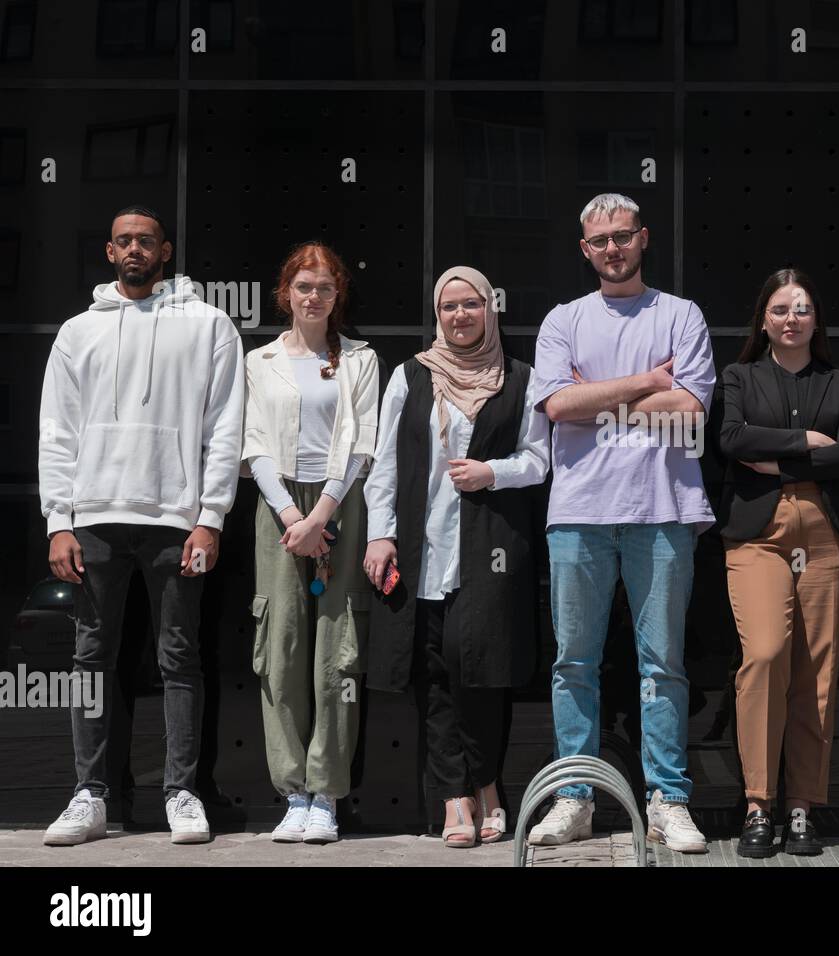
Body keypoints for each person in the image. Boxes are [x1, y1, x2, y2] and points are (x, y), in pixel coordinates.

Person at [39, 205, 244, 845]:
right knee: (90, 659)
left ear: (166, 250)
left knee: (179, 659)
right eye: (124, 241)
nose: (134, 250)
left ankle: (182, 792)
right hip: (95, 519)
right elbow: (57, 432)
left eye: (145, 241)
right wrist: (58, 520)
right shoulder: (78, 331)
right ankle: (91, 795)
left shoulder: (209, 324)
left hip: (176, 520)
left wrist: (209, 519)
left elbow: (224, 427)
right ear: (109, 251)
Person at [526, 193, 715, 854]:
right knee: (573, 663)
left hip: (661, 512)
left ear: (643, 240)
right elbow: (556, 404)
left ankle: (668, 800)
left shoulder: (680, 314)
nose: (612, 248)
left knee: (662, 665)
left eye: (623, 237)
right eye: (600, 240)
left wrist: (596, 397)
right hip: (578, 515)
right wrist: (643, 382)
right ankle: (574, 798)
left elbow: (690, 413)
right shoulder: (563, 321)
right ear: (585, 249)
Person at [365, 266, 548, 848]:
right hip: (426, 552)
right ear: (437, 315)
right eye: (449, 307)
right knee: (435, 678)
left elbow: (539, 459)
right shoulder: (409, 377)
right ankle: (453, 798)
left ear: (489, 309)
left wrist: (492, 472)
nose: (460, 316)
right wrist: (380, 534)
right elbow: (385, 466)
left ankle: (490, 786)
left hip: (490, 550)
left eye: (471, 304)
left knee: (486, 676)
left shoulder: (520, 378)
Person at [717, 268, 839, 857]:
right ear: (764, 319)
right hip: (759, 535)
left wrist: (777, 459)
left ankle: (802, 806)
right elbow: (731, 439)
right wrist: (809, 443)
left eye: (803, 309)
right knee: (765, 655)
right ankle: (759, 803)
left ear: (815, 321)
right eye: (781, 308)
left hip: (829, 533)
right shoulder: (738, 375)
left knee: (817, 673)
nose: (791, 318)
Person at [242, 242, 378, 844]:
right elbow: (253, 445)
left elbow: (363, 442)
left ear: (337, 293)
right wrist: (290, 514)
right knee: (281, 647)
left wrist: (321, 514)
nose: (314, 296)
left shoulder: (360, 359)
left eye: (325, 286)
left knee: (335, 650)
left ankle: (325, 792)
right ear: (285, 293)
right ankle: (292, 791)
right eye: (304, 286)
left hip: (339, 504)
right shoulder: (259, 360)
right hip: (279, 510)